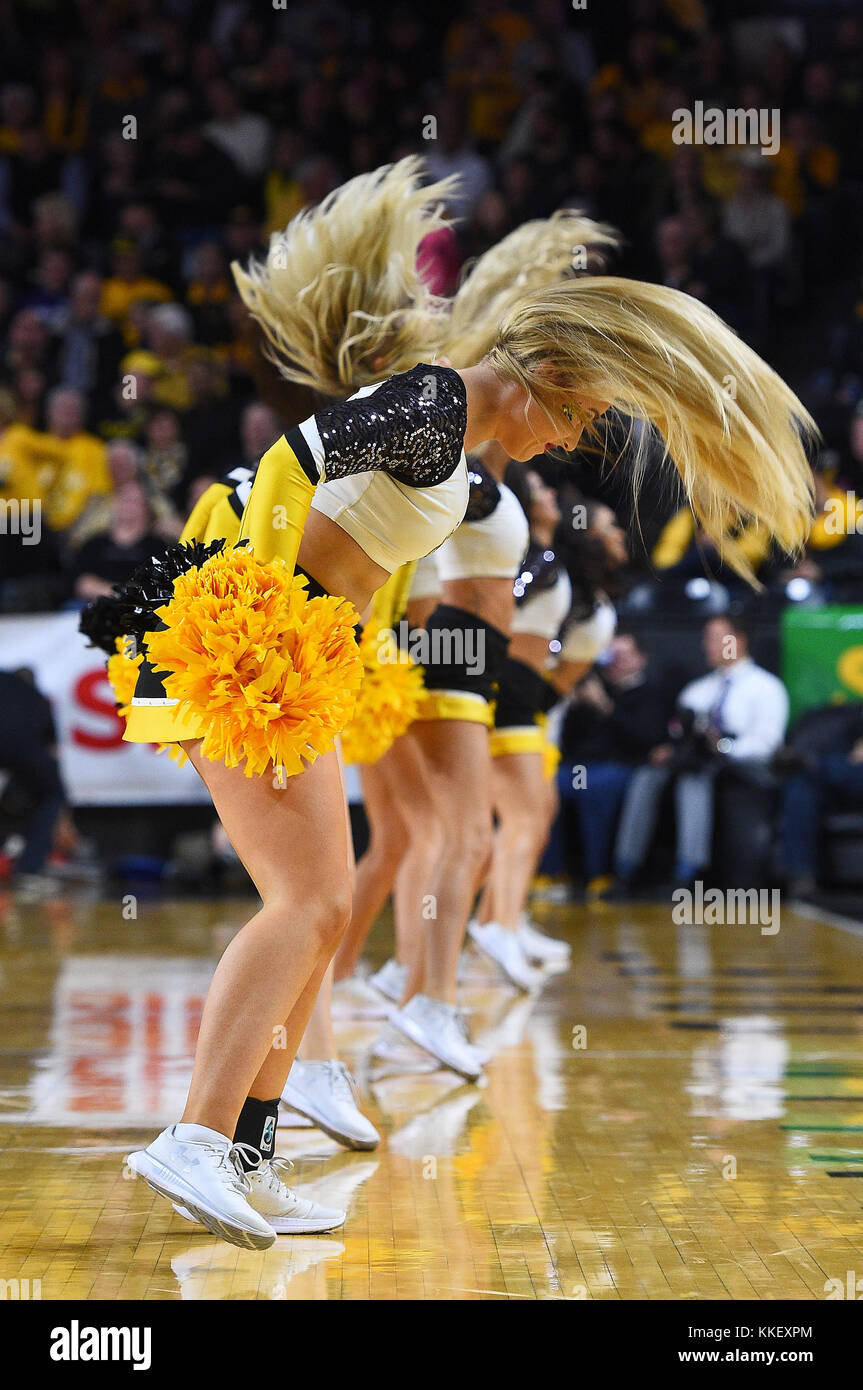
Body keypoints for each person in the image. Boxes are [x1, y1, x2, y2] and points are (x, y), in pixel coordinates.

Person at [86, 265, 814, 1252]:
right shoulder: (436, 401)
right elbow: (290, 461)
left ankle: (248, 1151)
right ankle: (196, 1137)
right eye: (575, 413)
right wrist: (262, 613)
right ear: (544, 372)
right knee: (304, 904)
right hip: (244, 649)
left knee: (325, 907)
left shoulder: (463, 451)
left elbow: (365, 540)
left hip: (287, 650)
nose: (568, 438)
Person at [613, 613, 790, 892]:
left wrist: (721, 747)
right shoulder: (697, 690)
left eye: (715, 638)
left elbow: (767, 742)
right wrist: (672, 748)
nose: (707, 645)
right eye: (706, 638)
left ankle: (688, 870)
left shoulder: (766, 687)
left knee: (693, 779)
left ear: (737, 640)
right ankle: (626, 868)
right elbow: (678, 733)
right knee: (647, 776)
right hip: (694, 759)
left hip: (742, 766)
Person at [557, 631, 678, 899]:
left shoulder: (651, 693)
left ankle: (598, 872)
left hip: (619, 767)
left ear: (641, 658)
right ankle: (552, 872)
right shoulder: (592, 690)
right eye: (613, 656)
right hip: (579, 767)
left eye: (624, 656)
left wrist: (606, 707)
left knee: (593, 790)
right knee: (547, 788)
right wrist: (576, 707)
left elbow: (646, 740)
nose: (616, 663)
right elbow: (569, 741)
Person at [0, 667, 66, 899]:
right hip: (26, 747)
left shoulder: (9, 682)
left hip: (19, 749)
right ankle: (28, 871)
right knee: (51, 796)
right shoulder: (33, 693)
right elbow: (52, 749)